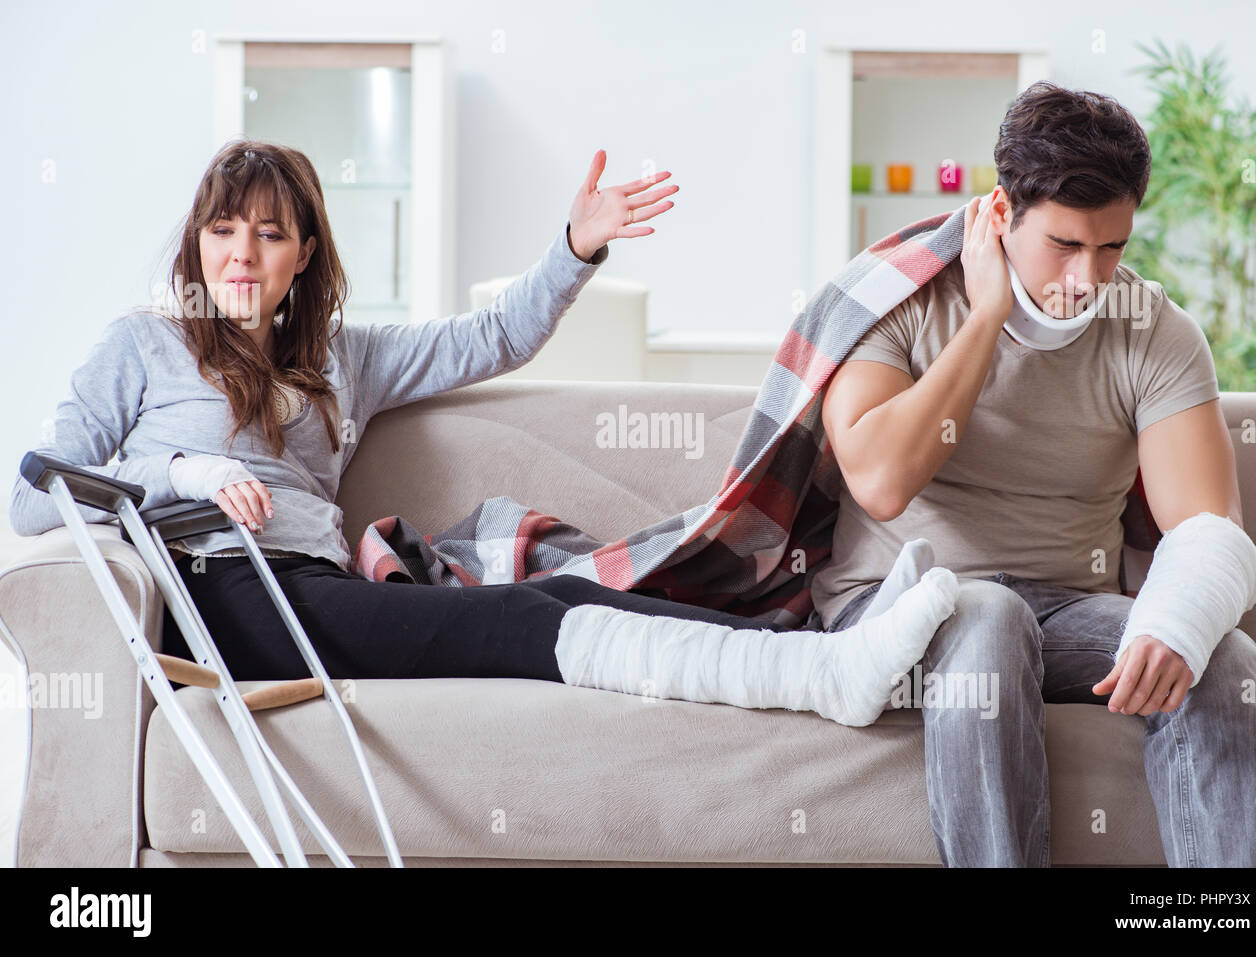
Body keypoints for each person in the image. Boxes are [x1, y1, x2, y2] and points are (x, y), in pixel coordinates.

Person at [8, 138, 960, 730]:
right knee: (514, 617)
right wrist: (185, 469)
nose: (240, 254)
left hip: (311, 584)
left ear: (302, 255)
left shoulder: (344, 355)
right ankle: (825, 673)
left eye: (266, 234)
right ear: (197, 244)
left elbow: (494, 336)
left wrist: (574, 249)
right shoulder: (145, 343)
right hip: (220, 587)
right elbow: (32, 490)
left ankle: (823, 663)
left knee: (557, 596)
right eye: (221, 232)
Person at [813, 82, 1256, 866]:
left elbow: (1206, 530)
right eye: (1064, 244)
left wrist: (1177, 625)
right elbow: (882, 481)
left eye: (1112, 246)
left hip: (1064, 610)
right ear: (1001, 215)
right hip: (897, 607)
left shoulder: (1154, 332)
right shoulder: (901, 298)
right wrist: (987, 315)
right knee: (988, 615)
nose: (1087, 278)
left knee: (1224, 655)